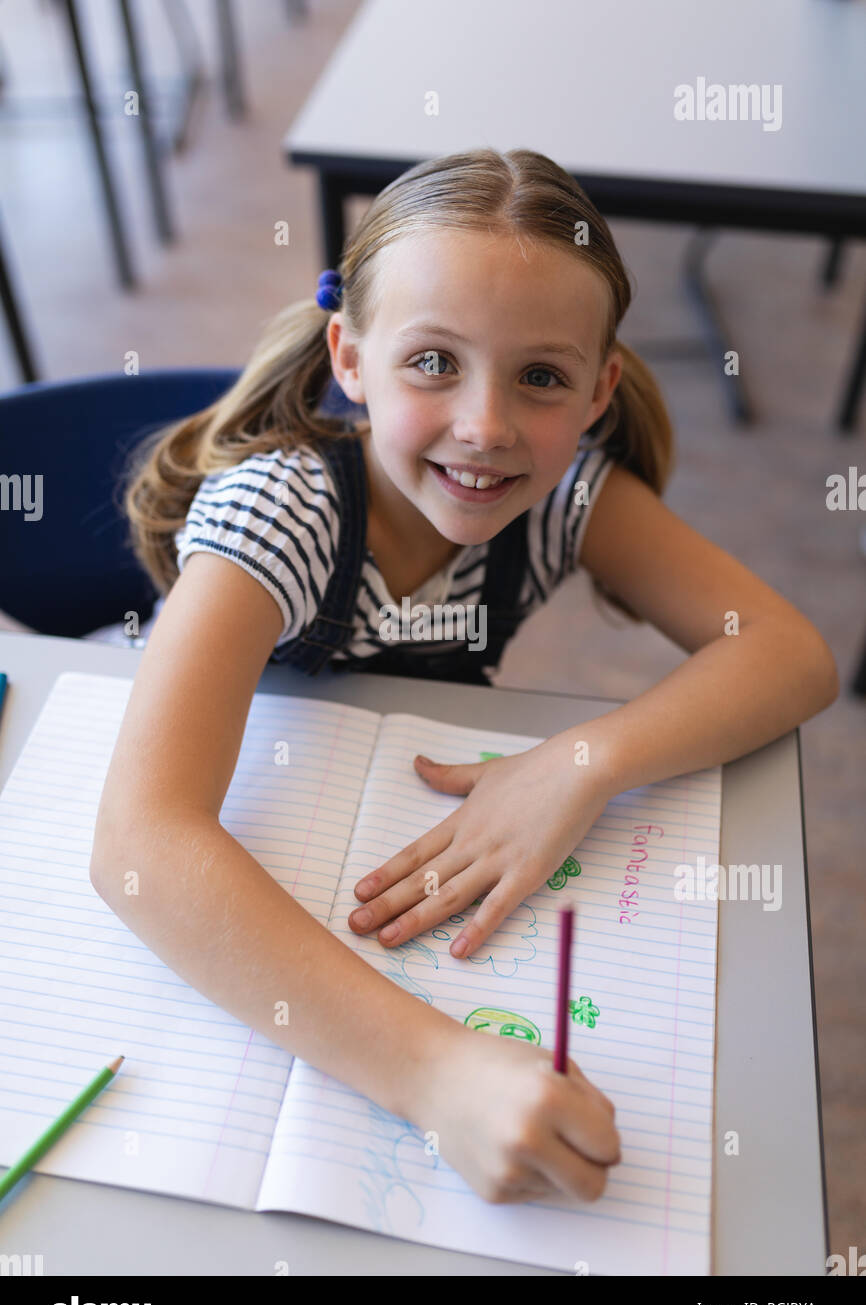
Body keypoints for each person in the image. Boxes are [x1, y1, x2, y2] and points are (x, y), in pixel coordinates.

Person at [91, 147, 838, 1207]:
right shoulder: (281, 510)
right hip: (222, 951)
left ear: (597, 389)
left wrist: (580, 761)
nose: (485, 427)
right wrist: (438, 1072)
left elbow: (786, 652)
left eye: (539, 376)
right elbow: (140, 845)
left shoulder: (568, 493)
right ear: (349, 356)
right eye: (432, 362)